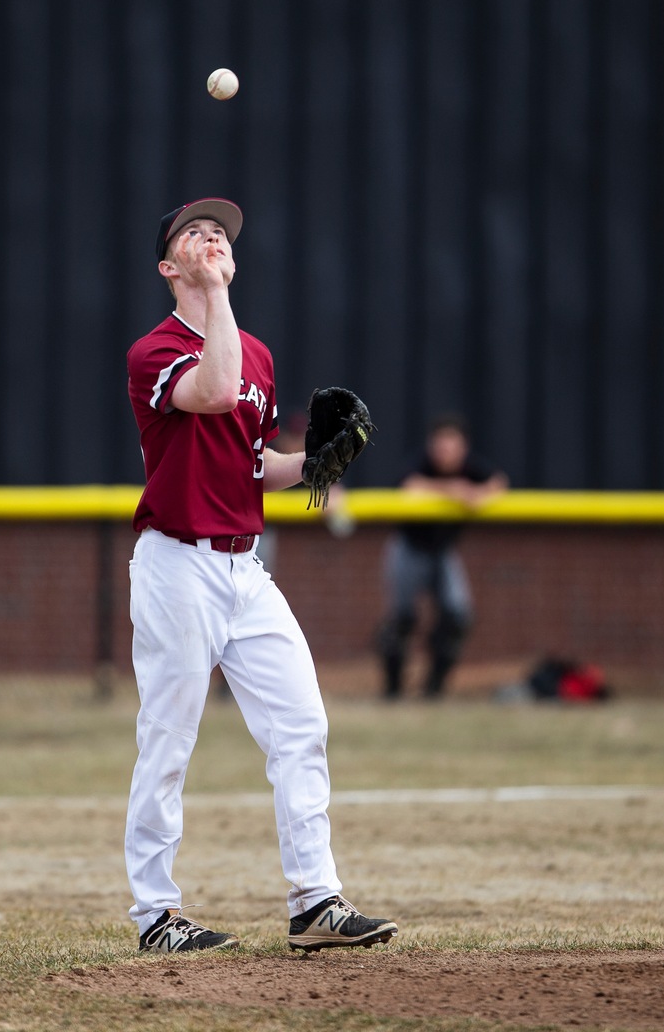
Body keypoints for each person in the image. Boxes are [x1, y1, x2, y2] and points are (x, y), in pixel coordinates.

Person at [124, 197, 398, 955]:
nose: (212, 237)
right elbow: (210, 393)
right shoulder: (153, 350)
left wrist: (312, 462)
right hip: (177, 565)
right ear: (168, 267)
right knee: (169, 740)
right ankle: (156, 915)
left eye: (221, 235)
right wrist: (215, 297)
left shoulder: (259, 355)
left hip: (245, 567)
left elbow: (251, 463)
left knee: (302, 726)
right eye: (194, 234)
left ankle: (316, 902)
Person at [378, 414, 508, 699]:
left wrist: (478, 494)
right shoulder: (420, 463)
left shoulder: (472, 466)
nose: (446, 452)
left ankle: (434, 687)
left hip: (443, 552)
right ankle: (393, 689)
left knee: (457, 616)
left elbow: (498, 483)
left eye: (452, 446)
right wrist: (455, 491)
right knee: (402, 619)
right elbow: (409, 487)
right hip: (409, 548)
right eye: (441, 446)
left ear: (463, 448)